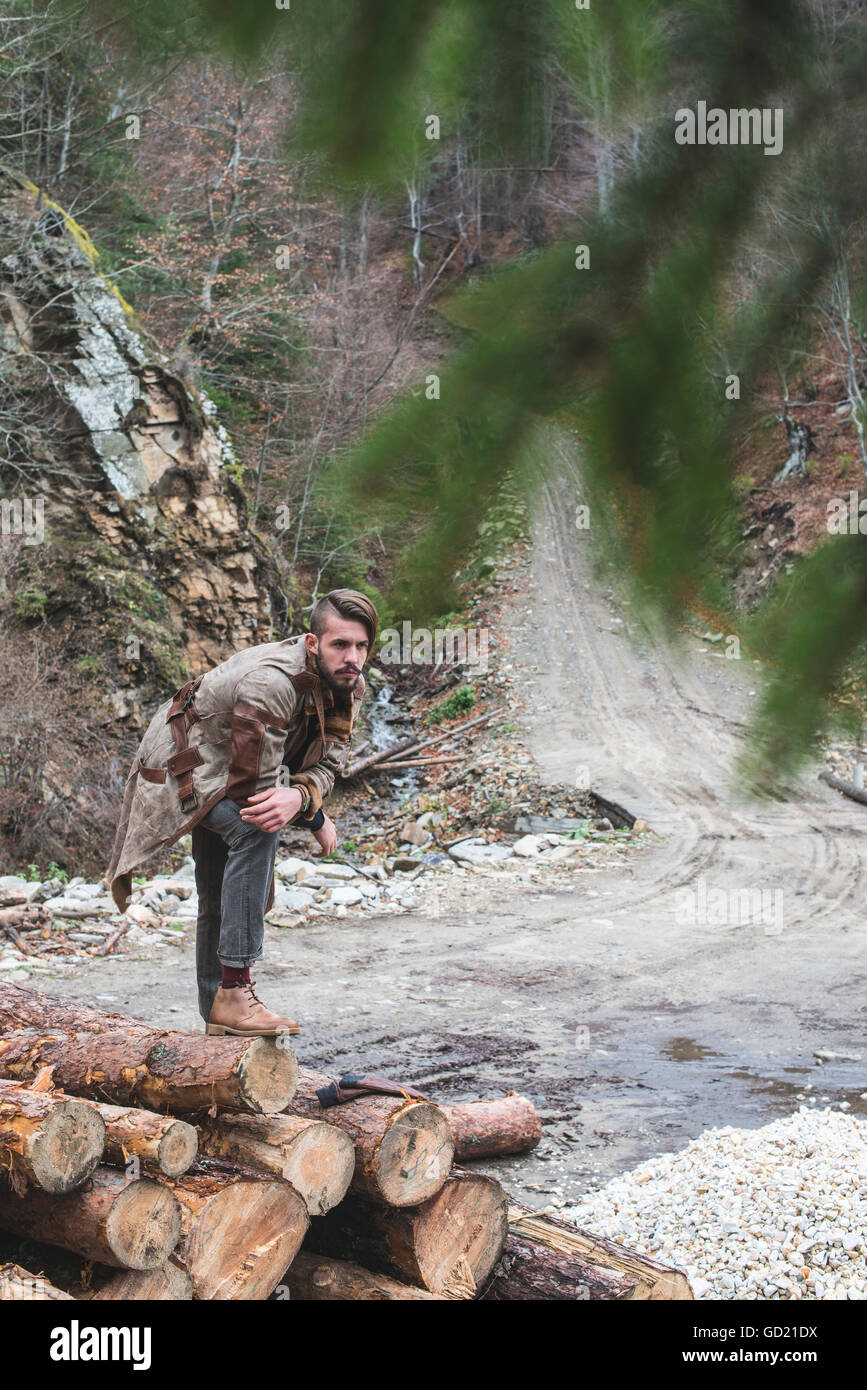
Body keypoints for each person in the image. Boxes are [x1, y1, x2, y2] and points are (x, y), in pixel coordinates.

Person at [105, 589, 376, 1036]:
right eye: (340, 645)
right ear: (313, 643)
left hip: (232, 768)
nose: (352, 657)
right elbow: (253, 791)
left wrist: (305, 799)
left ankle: (217, 1015)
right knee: (256, 829)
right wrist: (309, 812)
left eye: (361, 646)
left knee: (219, 889)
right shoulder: (271, 684)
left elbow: (331, 763)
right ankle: (234, 991)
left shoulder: (350, 683)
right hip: (187, 761)